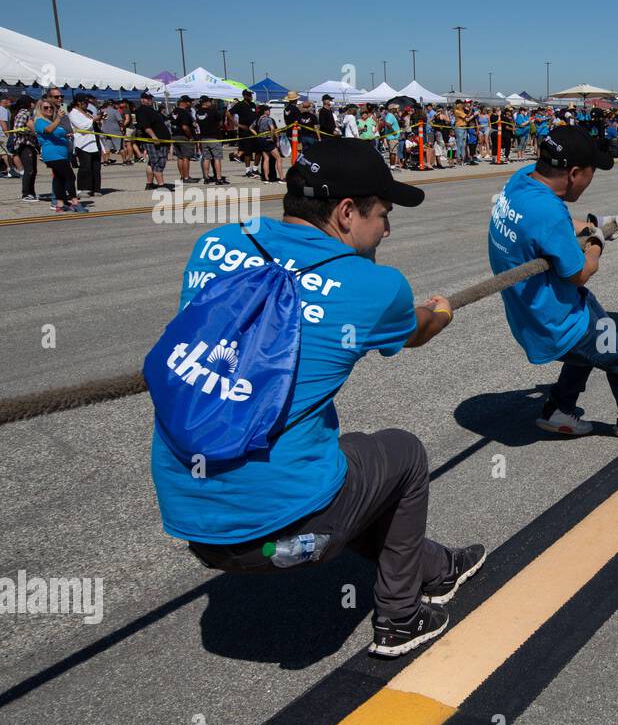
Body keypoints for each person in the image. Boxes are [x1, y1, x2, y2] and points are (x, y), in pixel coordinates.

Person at [154, 138, 483, 658]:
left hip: (194, 524)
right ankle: (402, 618)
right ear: (347, 213)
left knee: (343, 455)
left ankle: (436, 566)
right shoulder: (374, 285)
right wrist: (440, 312)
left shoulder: (213, 245)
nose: (388, 230)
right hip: (282, 536)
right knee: (402, 453)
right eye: (384, 214)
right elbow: (416, 331)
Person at [489, 126, 618, 440]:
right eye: (591, 174)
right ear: (574, 173)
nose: (591, 181)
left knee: (591, 346)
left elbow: (558, 225)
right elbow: (581, 272)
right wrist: (596, 242)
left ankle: (559, 409)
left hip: (540, 303)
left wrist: (592, 225)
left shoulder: (523, 180)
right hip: (553, 318)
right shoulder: (546, 211)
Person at [34, 96, 86, 213]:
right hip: (53, 154)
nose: (49, 109)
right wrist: (58, 118)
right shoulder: (39, 121)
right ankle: (74, 202)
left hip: (61, 153)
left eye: (51, 107)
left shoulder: (50, 121)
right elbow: (48, 130)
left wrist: (65, 135)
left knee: (59, 178)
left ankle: (60, 204)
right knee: (70, 176)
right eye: (45, 108)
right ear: (40, 109)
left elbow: (55, 132)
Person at [133, 91, 172, 191]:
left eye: (150, 98)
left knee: (152, 162)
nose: (150, 100)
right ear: (142, 99)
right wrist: (154, 137)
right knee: (158, 162)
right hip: (154, 141)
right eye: (147, 98)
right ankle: (161, 185)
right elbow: (146, 126)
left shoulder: (150, 110)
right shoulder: (142, 111)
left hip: (161, 140)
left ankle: (149, 183)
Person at [69, 94, 103, 197]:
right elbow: (82, 126)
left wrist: (99, 120)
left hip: (94, 141)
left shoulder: (87, 113)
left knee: (96, 167)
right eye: (85, 102)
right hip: (83, 143)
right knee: (85, 166)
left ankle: (95, 188)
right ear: (78, 102)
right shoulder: (73, 113)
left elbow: (94, 125)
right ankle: (83, 188)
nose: (87, 105)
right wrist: (93, 120)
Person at [11, 95, 39, 201]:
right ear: (29, 103)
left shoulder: (29, 113)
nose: (34, 104)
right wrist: (32, 131)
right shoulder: (23, 113)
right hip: (24, 144)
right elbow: (17, 129)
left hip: (30, 144)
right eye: (33, 102)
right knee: (29, 170)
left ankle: (31, 192)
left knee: (33, 170)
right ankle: (26, 193)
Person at [195, 96, 228, 185]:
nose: (211, 103)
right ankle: (218, 178)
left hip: (203, 138)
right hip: (214, 137)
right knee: (217, 158)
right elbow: (220, 122)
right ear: (205, 102)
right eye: (210, 101)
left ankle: (206, 177)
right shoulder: (213, 111)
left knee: (206, 158)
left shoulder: (198, 112)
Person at [169, 95, 198, 185]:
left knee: (180, 157)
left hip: (174, 136)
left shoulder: (174, 112)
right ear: (185, 102)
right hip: (183, 136)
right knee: (186, 157)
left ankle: (182, 176)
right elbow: (185, 127)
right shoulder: (184, 112)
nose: (191, 103)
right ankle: (186, 177)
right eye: (189, 102)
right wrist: (190, 137)